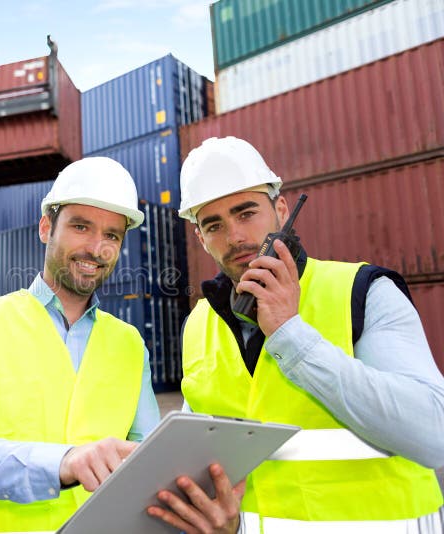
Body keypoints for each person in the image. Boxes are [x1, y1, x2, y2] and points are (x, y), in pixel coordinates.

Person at [0, 157, 242, 534]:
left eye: (112, 235)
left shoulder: (129, 343)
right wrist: (65, 462)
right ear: (46, 227)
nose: (96, 248)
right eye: (80, 227)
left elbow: (148, 462)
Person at [152, 136, 444, 533]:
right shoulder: (200, 322)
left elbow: (433, 436)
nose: (235, 236)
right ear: (201, 239)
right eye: (214, 224)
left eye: (246, 212)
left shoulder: (363, 291)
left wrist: (291, 335)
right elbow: (206, 462)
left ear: (281, 210)